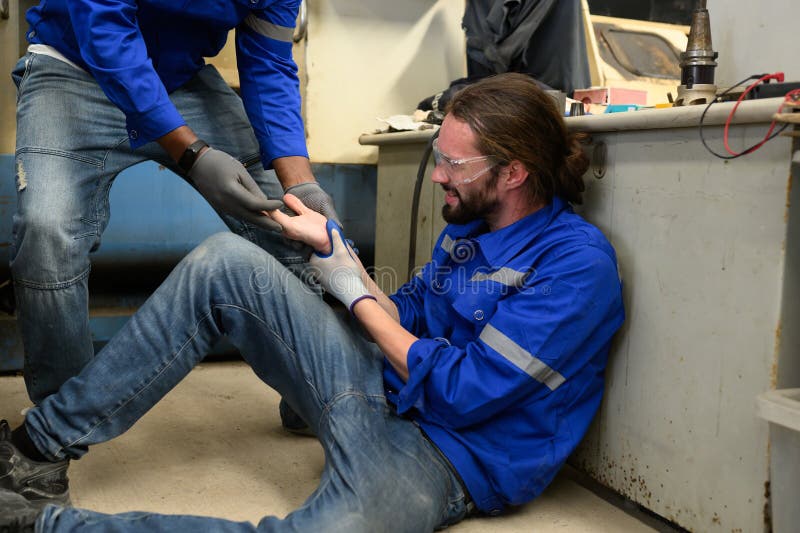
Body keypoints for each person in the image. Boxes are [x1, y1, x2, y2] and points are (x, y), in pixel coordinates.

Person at [0, 73, 625, 532]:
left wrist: (351, 293)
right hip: (383, 390)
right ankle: (38, 445)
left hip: (447, 458)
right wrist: (336, 256)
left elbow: (465, 391)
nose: (437, 176)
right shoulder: (473, 228)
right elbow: (401, 316)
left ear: (513, 173)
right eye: (438, 157)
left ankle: (38, 527)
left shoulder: (574, 267)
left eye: (452, 164)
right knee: (226, 262)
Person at [10, 0, 339, 406]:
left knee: (298, 225)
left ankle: (325, 398)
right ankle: (56, 426)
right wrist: (192, 152)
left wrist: (301, 186)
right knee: (46, 231)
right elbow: (104, 29)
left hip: (178, 78)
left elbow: (269, 64)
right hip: (73, 66)